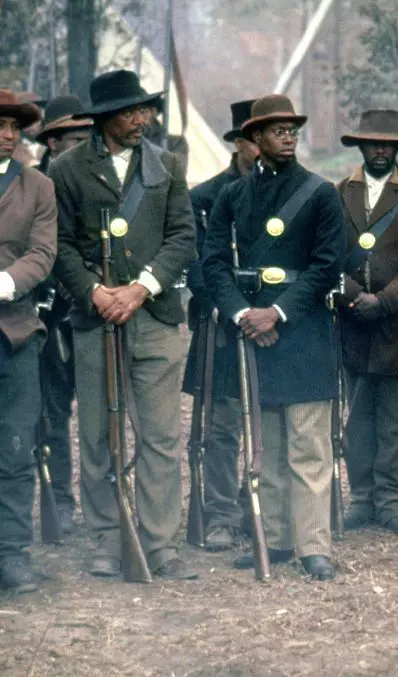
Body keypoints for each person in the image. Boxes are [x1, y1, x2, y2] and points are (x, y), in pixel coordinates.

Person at [50, 70, 197, 580]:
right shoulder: (67, 170)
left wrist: (142, 288)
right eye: (132, 112)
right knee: (97, 435)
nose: (142, 120)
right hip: (96, 321)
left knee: (159, 436)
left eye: (146, 111)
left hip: (153, 316)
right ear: (105, 119)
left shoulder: (168, 166)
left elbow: (182, 237)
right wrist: (94, 291)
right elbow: (60, 244)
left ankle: (159, 545)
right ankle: (108, 540)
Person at [203, 94, 343, 581]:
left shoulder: (320, 193)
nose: (288, 137)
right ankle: (278, 540)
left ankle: (314, 546)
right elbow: (214, 263)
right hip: (253, 331)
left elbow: (329, 265)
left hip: (302, 330)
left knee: (309, 443)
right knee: (267, 443)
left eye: (292, 129)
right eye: (276, 130)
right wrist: (244, 314)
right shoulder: (233, 197)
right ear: (254, 140)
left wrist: (277, 313)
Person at [334, 110, 398, 535]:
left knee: (397, 418)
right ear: (361, 146)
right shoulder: (337, 194)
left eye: (388, 143)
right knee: (358, 415)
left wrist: (385, 300)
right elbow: (324, 256)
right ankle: (361, 497)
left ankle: (392, 499)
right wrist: (352, 296)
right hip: (352, 322)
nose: (380, 149)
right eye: (373, 142)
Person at [182, 99, 258, 551]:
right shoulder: (205, 198)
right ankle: (223, 514)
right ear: (241, 144)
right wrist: (229, 309)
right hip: (223, 329)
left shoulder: (295, 193)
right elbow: (197, 266)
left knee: (271, 422)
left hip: (274, 326)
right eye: (254, 140)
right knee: (222, 427)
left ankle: (265, 509)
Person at [0, 89, 57, 594]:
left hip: (14, 333)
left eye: (13, 127)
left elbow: (42, 252)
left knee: (16, 448)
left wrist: (4, 282)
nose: (7, 135)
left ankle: (12, 553)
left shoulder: (38, 186)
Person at [33, 95, 94, 533]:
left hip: (92, 313)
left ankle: (104, 503)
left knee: (99, 410)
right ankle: (60, 502)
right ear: (52, 143)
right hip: (45, 320)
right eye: (75, 139)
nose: (84, 146)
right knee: (51, 415)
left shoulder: (92, 183)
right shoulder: (27, 187)